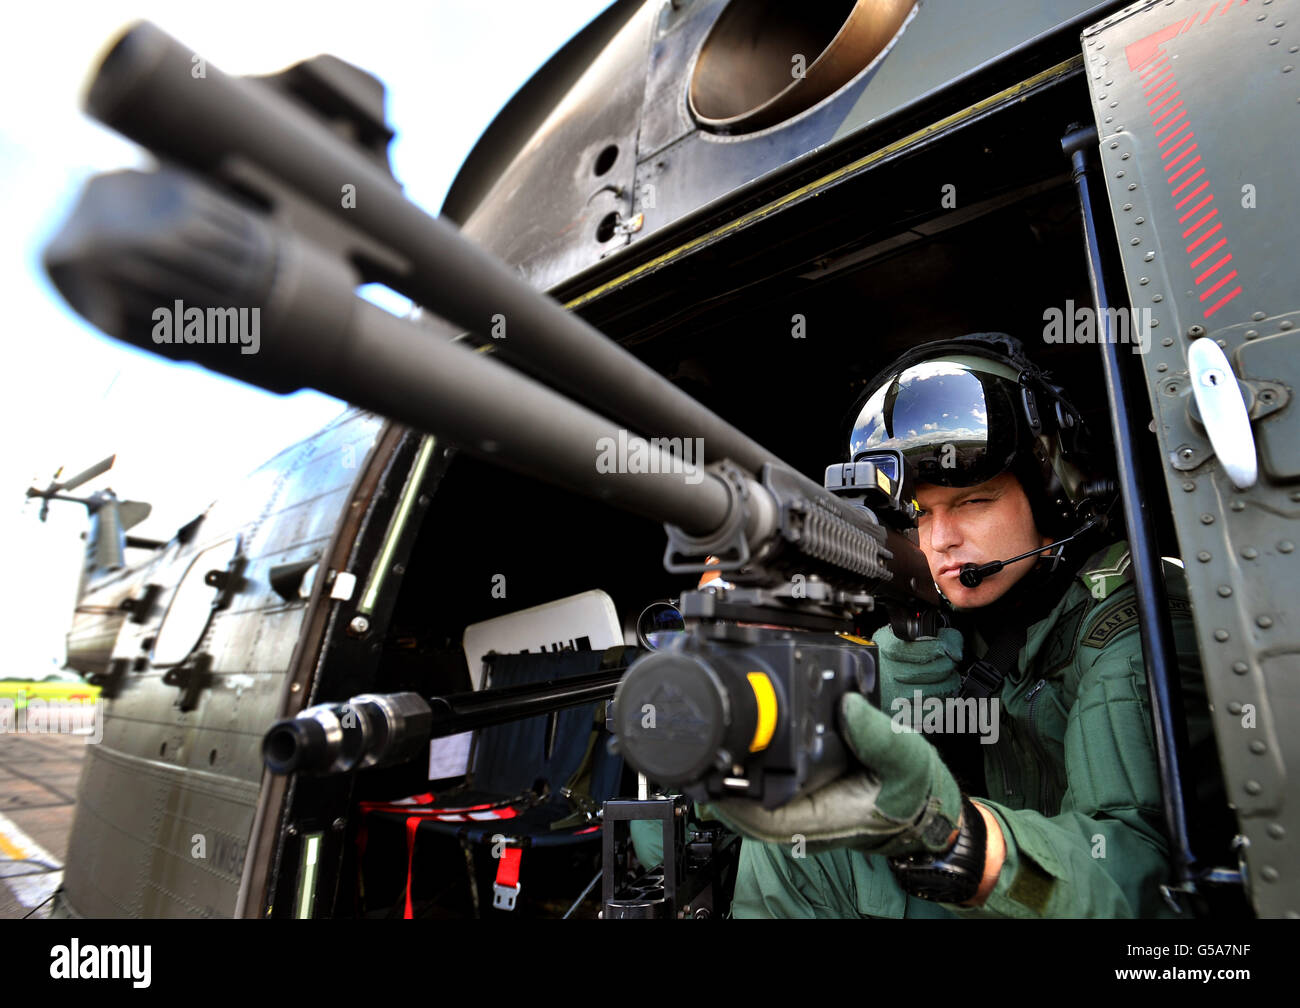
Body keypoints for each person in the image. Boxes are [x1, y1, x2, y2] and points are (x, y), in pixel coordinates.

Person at [710, 332, 1212, 918]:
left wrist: (959, 845)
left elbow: (1137, 880)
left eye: (973, 501)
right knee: (794, 845)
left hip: (1056, 900)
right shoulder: (919, 626)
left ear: (1053, 495)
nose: (939, 540)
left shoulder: (1129, 621)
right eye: (919, 514)